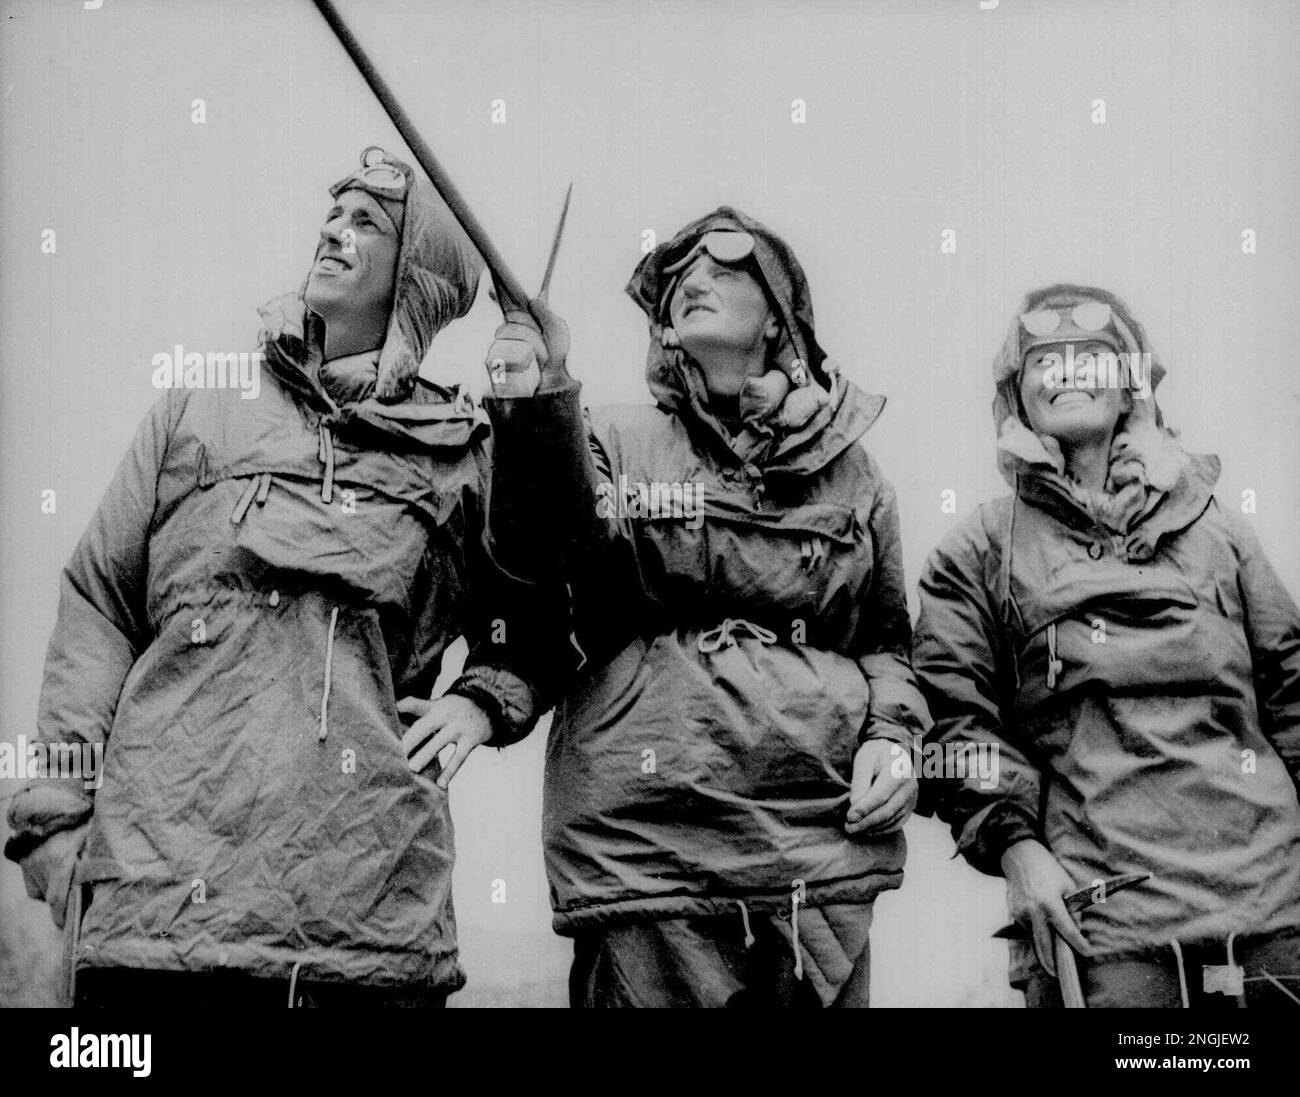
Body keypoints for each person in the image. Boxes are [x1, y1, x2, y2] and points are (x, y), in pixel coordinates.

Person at [4, 147, 546, 1008]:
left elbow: (548, 596)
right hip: (160, 915)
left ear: (419, 277)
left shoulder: (468, 453)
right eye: (333, 215)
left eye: (367, 222)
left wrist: (483, 694)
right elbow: (98, 605)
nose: (333, 230)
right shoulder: (199, 405)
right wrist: (56, 814)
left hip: (366, 924)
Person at [470, 206, 931, 1007]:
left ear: (779, 314)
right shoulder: (608, 436)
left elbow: (889, 644)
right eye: (678, 276)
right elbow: (539, 553)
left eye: (726, 266)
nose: (694, 280)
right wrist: (534, 396)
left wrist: (895, 738)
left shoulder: (856, 476)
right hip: (647, 854)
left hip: (818, 855)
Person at [912, 283, 1300, 1008]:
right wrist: (1016, 847)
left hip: (1275, 907)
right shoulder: (982, 548)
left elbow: (1294, 693)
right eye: (1043, 361)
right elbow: (954, 718)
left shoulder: (1220, 532)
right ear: (1015, 397)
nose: (1066, 371)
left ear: (1131, 387)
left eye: (1090, 355)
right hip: (1103, 918)